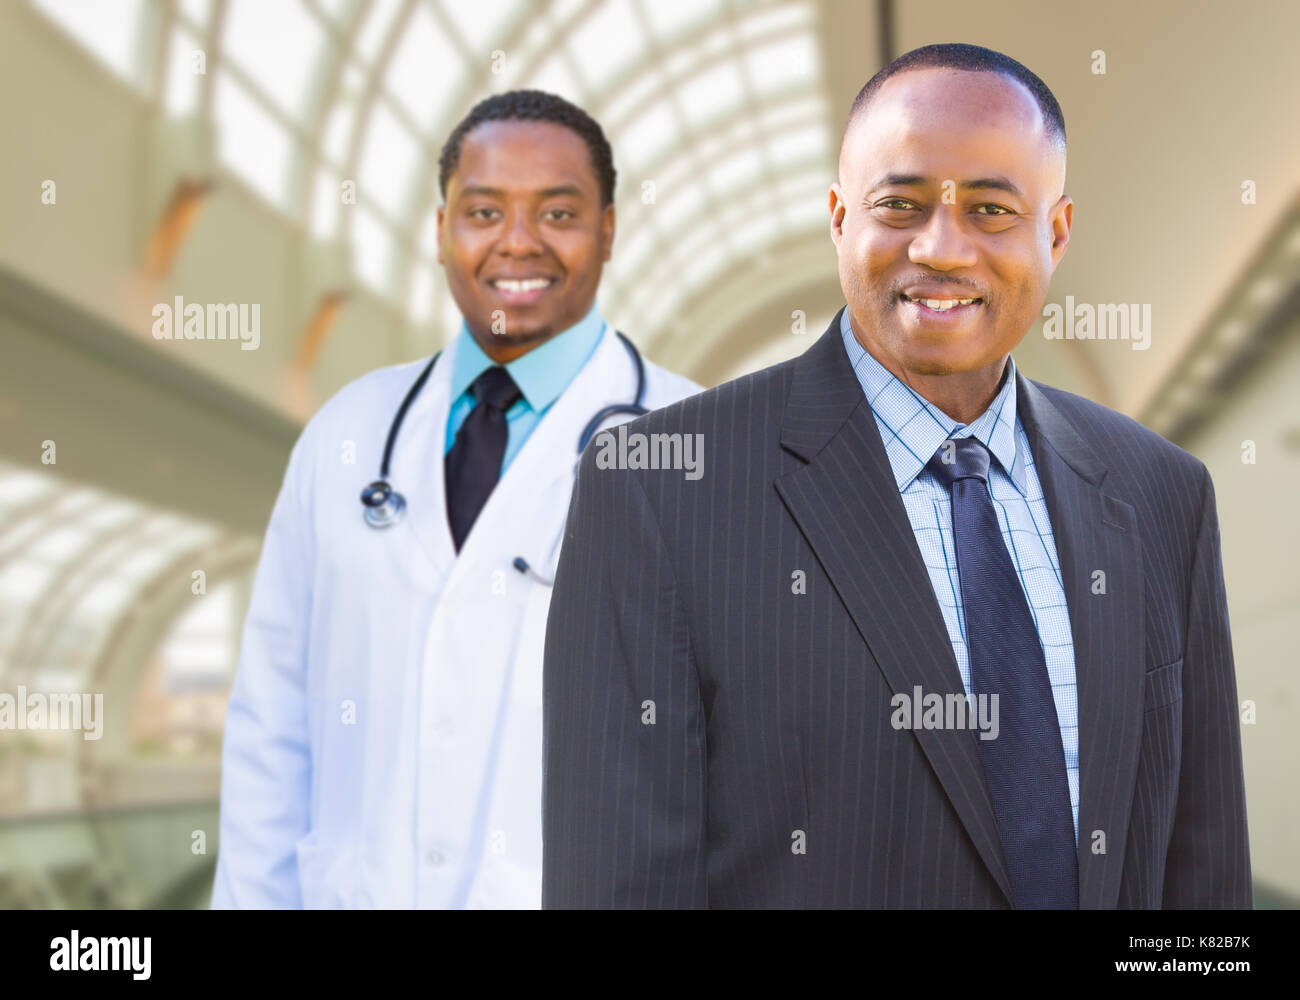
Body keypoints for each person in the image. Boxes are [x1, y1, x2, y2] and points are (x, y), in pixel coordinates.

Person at [541, 45, 1251, 909]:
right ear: (841, 218)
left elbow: (1201, 879)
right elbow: (616, 885)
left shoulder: (1162, 495)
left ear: (1055, 232)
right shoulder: (656, 491)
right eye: (899, 204)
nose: (942, 248)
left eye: (992, 209)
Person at [212, 90, 700, 908]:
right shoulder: (345, 437)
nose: (517, 242)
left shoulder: (700, 447)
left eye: (558, 212)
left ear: (607, 231)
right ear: (441, 231)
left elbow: (749, 764)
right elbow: (272, 726)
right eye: (483, 211)